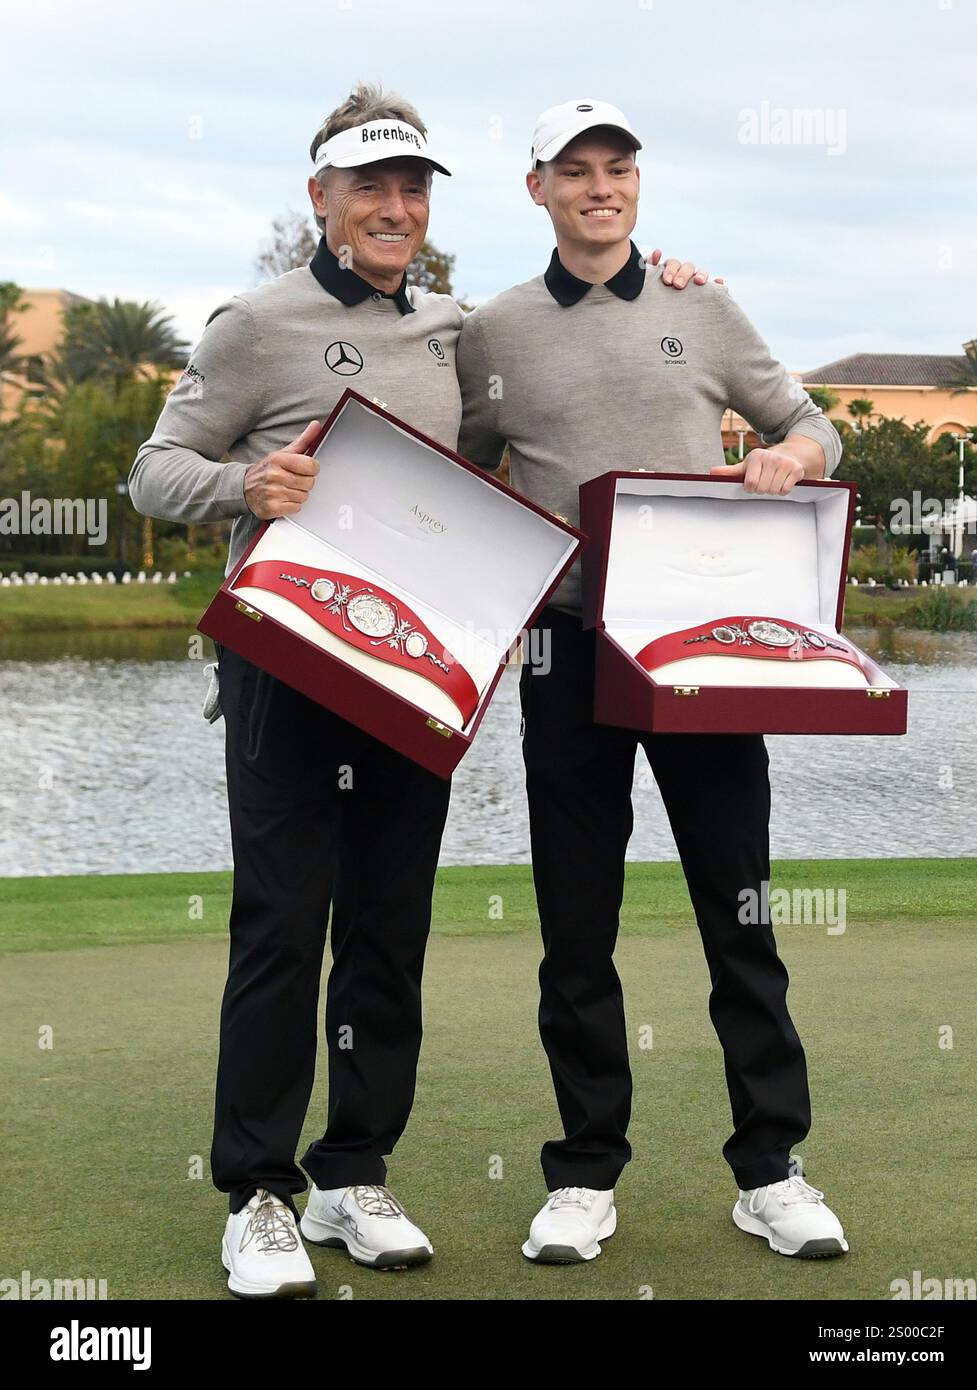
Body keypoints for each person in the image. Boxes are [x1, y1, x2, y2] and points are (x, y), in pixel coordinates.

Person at [130, 82, 708, 1299]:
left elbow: (548, 403)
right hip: (288, 662)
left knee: (391, 931)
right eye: (369, 188)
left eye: (411, 188)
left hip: (417, 669)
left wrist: (672, 291)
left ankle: (352, 1170)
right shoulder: (255, 322)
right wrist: (247, 488)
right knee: (284, 927)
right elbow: (153, 468)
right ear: (321, 200)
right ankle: (258, 1194)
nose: (394, 209)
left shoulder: (454, 331)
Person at [457, 98, 849, 1264]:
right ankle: (584, 1173)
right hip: (567, 649)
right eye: (573, 171)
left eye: (617, 169)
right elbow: (464, 478)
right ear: (536, 189)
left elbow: (812, 423)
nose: (599, 188)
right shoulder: (495, 330)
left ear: (639, 183)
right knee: (576, 923)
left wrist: (787, 455)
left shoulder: (702, 301)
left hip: (705, 644)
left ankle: (770, 1166)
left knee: (741, 909)